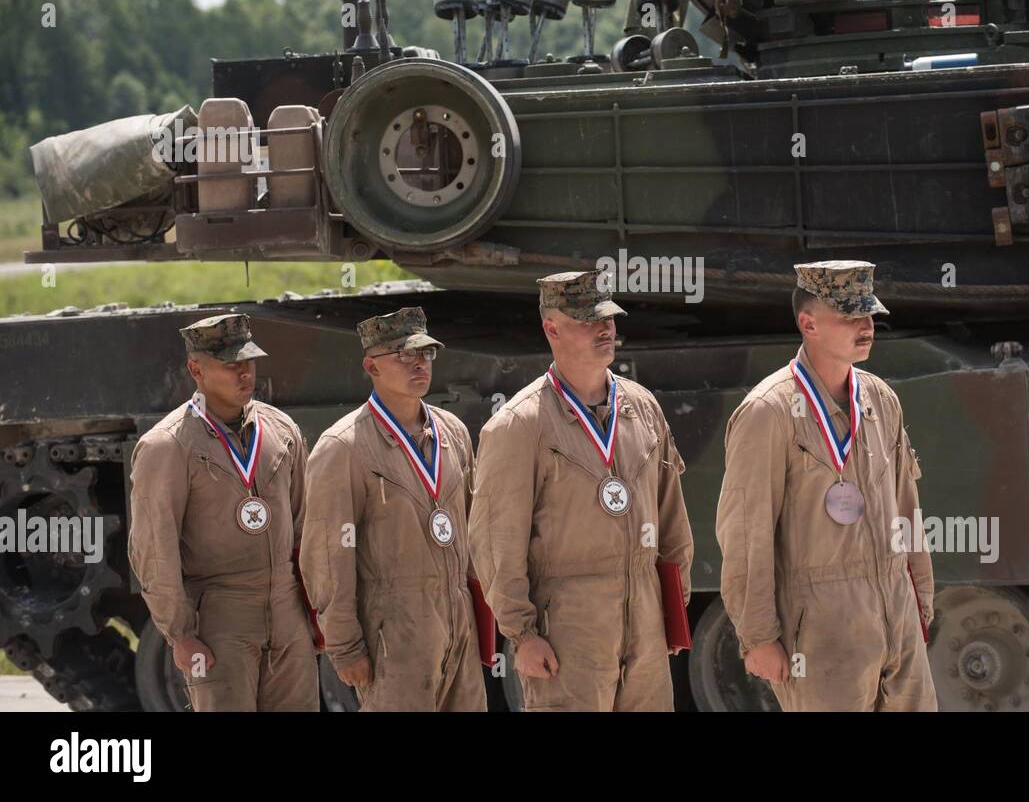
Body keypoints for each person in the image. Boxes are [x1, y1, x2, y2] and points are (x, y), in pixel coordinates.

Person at [716, 260, 937, 711]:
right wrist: (758, 636)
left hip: (897, 614)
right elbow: (745, 534)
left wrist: (921, 602)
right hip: (821, 626)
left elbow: (907, 509)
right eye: (850, 317)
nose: (866, 326)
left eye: (868, 315)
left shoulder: (879, 399)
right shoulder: (768, 412)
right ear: (808, 323)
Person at [469, 270, 693, 711]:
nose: (605, 328)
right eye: (589, 321)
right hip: (569, 629)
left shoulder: (642, 407)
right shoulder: (520, 425)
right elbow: (496, 542)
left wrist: (673, 606)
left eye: (607, 318)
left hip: (645, 623)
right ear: (551, 328)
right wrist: (523, 634)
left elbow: (671, 515)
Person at [128, 313, 318, 711]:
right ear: (196, 369)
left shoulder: (281, 429)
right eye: (230, 364)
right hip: (220, 616)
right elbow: (154, 549)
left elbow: (306, 524)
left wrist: (316, 610)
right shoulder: (167, 446)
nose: (244, 372)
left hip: (287, 609)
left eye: (248, 361)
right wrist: (180, 634)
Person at [300, 307, 485, 711]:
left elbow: (474, 533)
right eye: (403, 354)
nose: (418, 363)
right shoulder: (343, 447)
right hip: (394, 629)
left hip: (457, 624)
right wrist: (346, 646)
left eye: (425, 353)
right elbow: (327, 557)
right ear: (371, 366)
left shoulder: (452, 432)